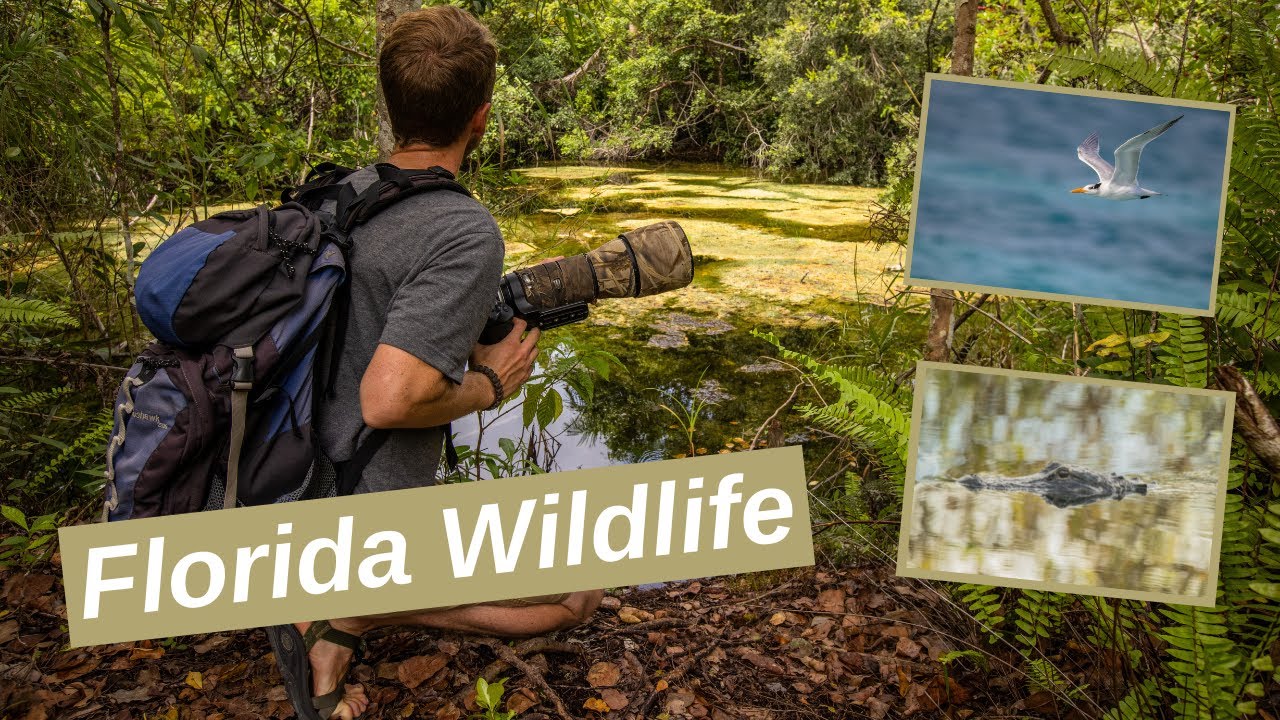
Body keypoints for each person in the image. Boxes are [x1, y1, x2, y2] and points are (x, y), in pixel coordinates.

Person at [269, 7, 602, 719]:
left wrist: (473, 336)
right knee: (581, 592)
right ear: (480, 118)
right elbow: (387, 400)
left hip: (285, 485)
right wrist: (488, 383)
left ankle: (325, 601)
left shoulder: (337, 194)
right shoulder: (461, 227)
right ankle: (334, 619)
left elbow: (365, 320)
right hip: (357, 522)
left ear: (391, 109)